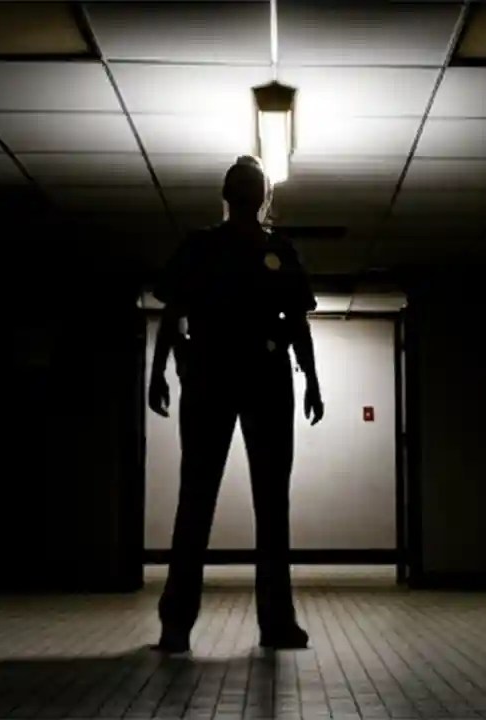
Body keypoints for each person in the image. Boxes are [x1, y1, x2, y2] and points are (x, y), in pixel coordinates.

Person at [148, 155, 324, 653]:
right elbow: (295, 323)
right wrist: (310, 378)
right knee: (262, 503)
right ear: (254, 196)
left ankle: (181, 622)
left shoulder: (203, 248)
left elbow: (174, 312)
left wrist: (158, 370)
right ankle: (269, 620)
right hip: (249, 377)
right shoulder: (256, 250)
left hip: (220, 376)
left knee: (201, 499)